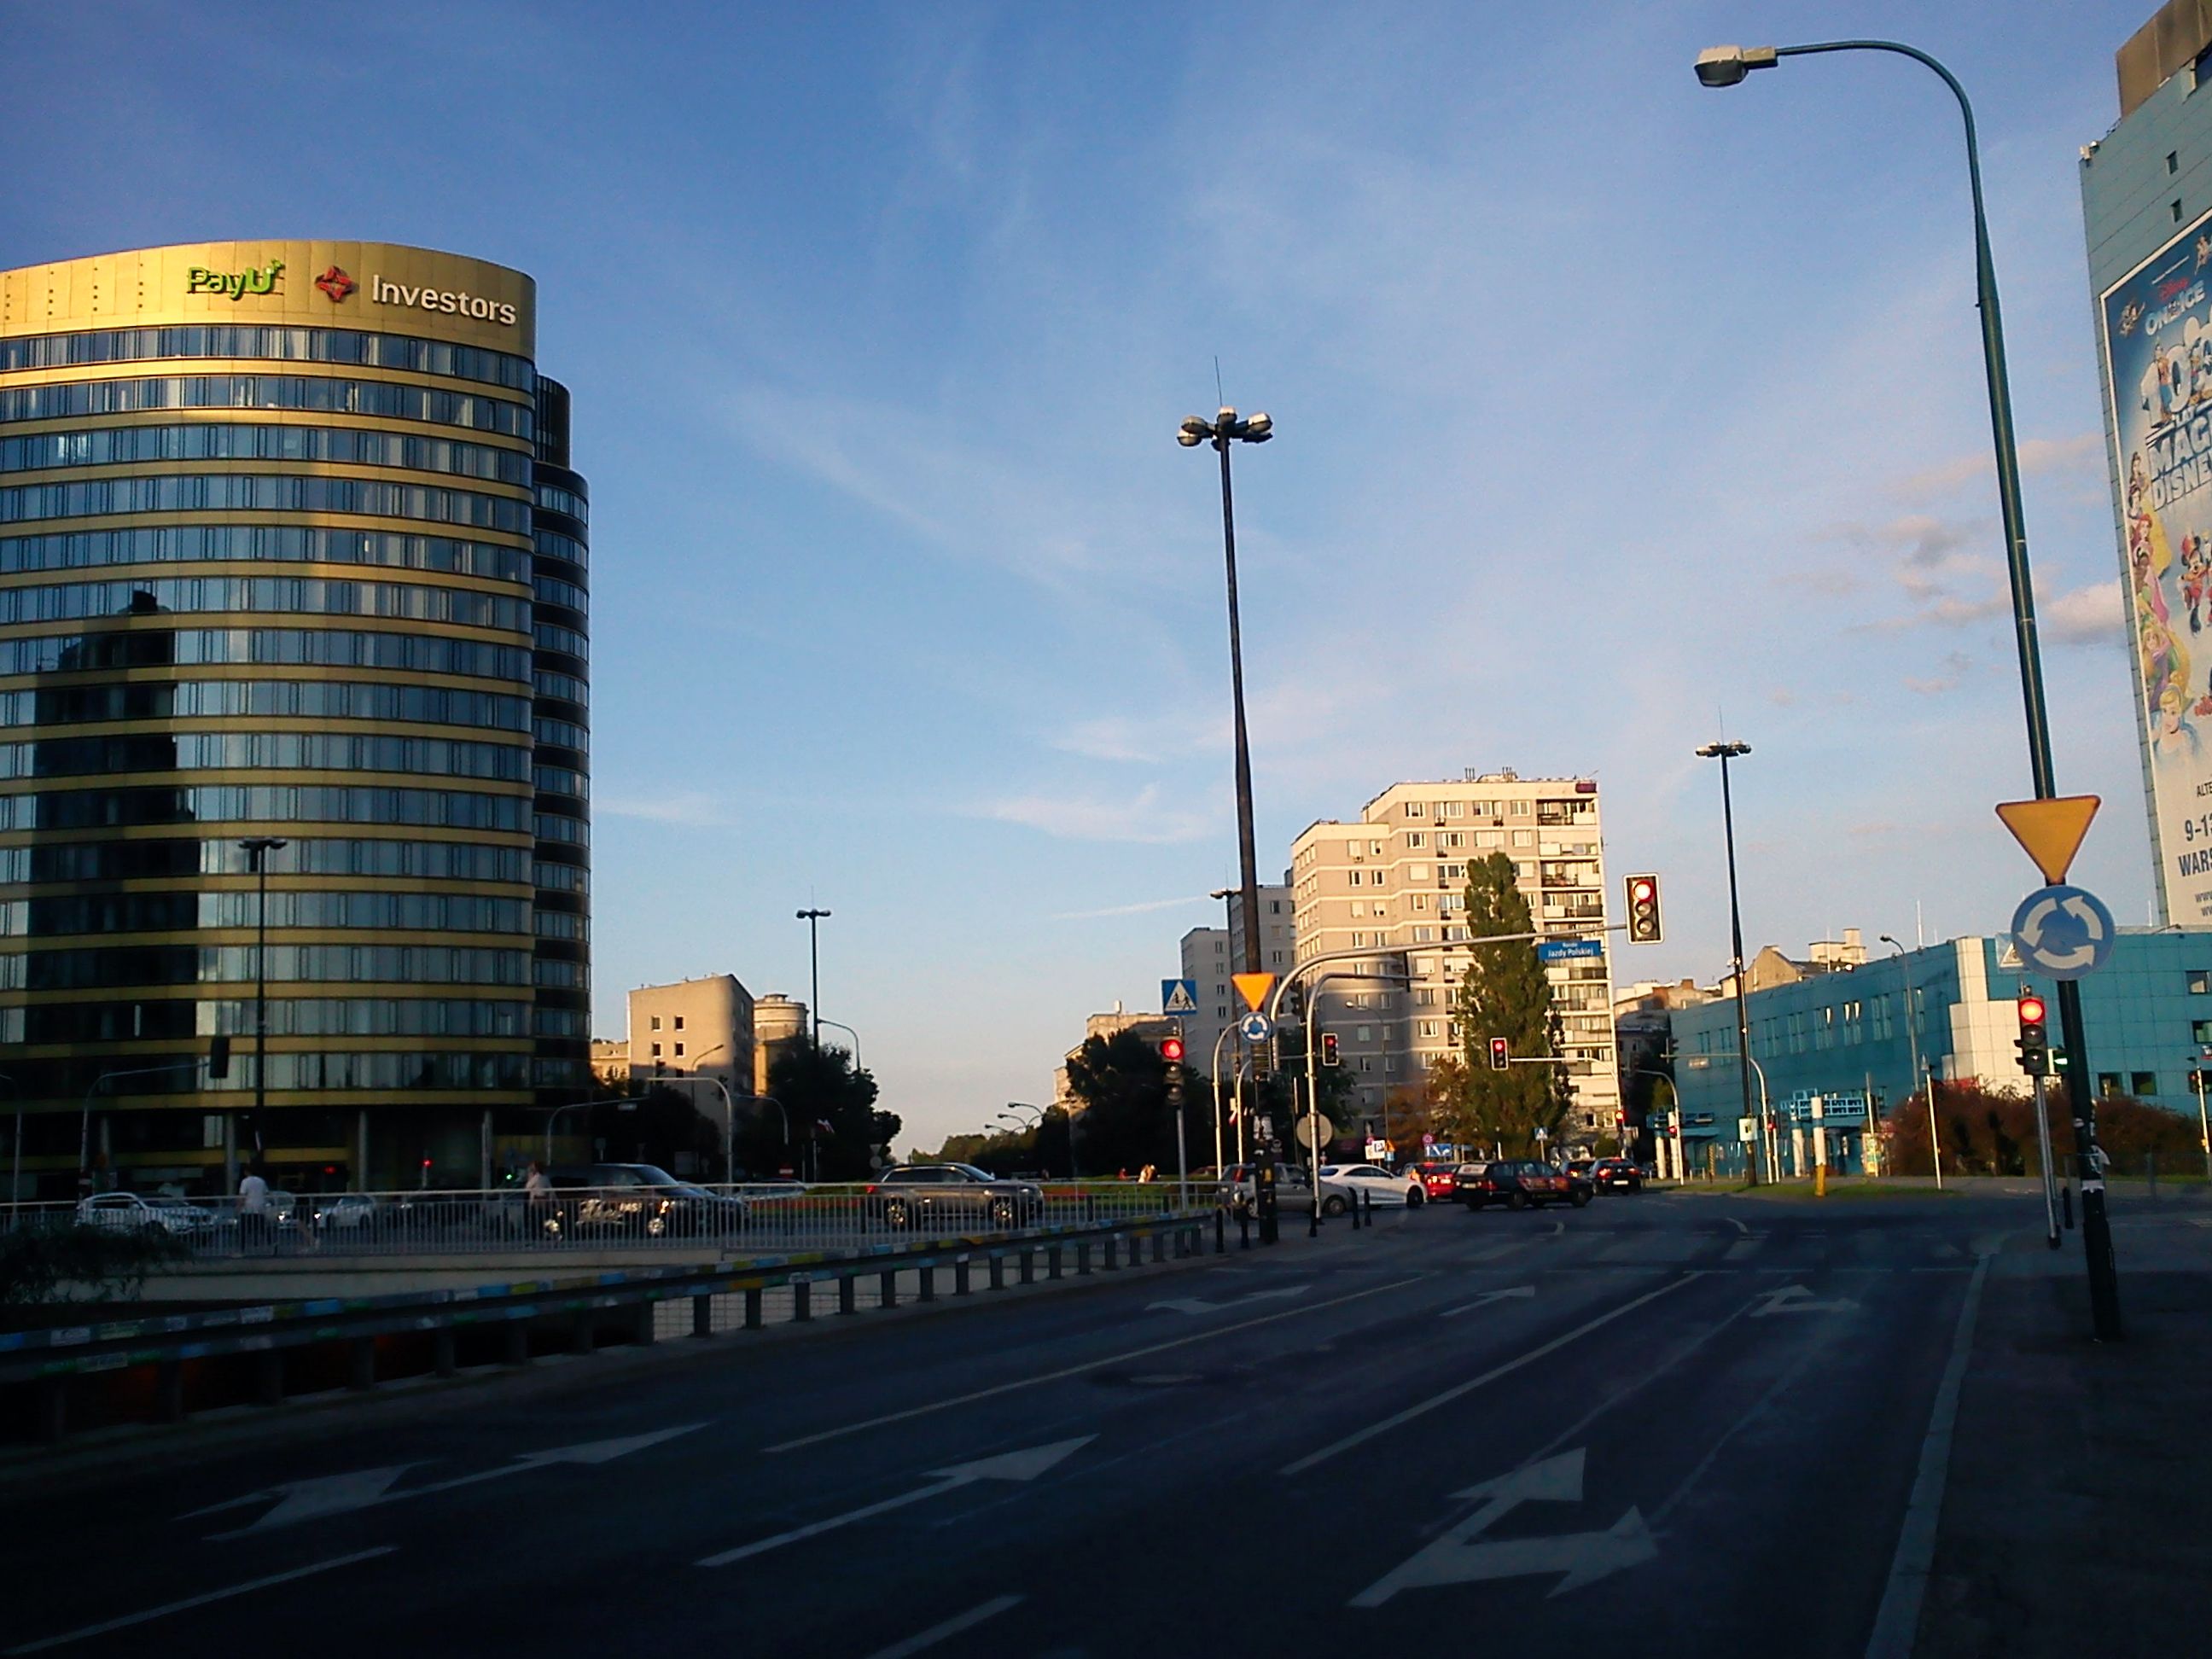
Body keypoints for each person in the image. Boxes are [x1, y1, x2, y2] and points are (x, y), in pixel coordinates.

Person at [237, 1166, 270, 1252]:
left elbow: (242, 1196)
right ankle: (272, 1243)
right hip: (260, 1208)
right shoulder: (261, 1181)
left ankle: (242, 1249)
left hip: (248, 1209)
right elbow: (267, 1193)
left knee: (243, 1230)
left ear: (246, 1172)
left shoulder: (245, 1182)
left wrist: (238, 1207)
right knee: (262, 1228)